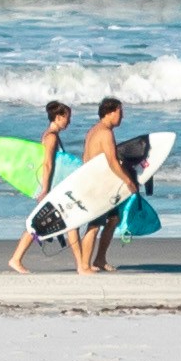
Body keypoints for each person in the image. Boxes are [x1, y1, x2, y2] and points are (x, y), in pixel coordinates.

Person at [2, 98, 76, 275]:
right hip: (48, 188)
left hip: (51, 187)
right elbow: (47, 164)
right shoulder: (51, 137)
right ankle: (16, 259)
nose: (69, 121)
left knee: (59, 222)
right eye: (67, 117)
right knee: (40, 224)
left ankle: (82, 263)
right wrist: (45, 189)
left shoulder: (52, 135)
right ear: (58, 117)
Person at [75, 95, 133, 276]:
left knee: (113, 220)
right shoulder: (105, 133)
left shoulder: (93, 130)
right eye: (120, 112)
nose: (122, 116)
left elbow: (86, 158)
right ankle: (84, 266)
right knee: (94, 225)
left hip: (98, 183)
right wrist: (128, 181)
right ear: (109, 112)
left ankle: (100, 259)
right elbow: (112, 162)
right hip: (98, 186)